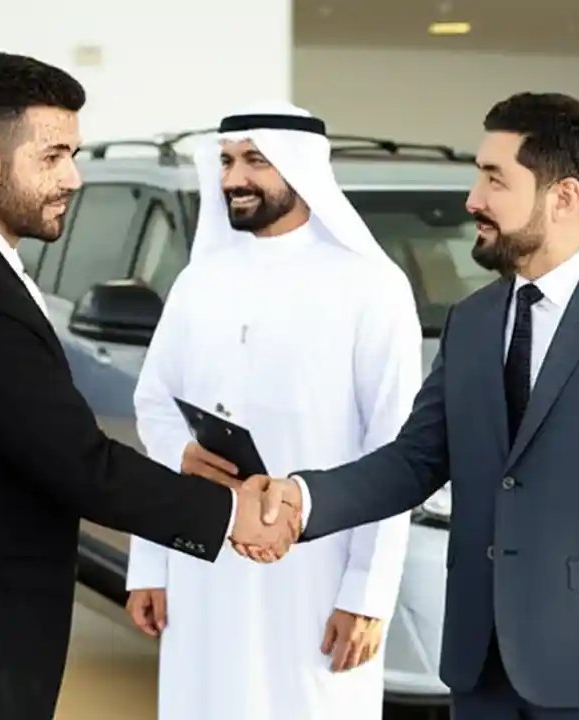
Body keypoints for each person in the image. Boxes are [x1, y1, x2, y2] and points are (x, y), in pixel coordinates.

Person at [238, 92, 579, 720]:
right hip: (479, 670)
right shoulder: (471, 321)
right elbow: (415, 460)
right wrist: (302, 499)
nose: (473, 199)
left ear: (564, 197)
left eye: (495, 179)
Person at [0, 52, 284, 720]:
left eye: (71, 154)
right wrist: (228, 513)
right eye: (51, 157)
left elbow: (27, 441)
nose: (73, 177)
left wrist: (179, 470)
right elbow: (77, 464)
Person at [122, 102, 421, 720]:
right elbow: (154, 404)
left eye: (255, 160)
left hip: (316, 573)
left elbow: (396, 450)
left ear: (300, 166)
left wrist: (367, 594)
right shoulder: (199, 281)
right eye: (227, 161)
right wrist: (150, 562)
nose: (234, 179)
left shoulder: (371, 286)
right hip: (204, 565)